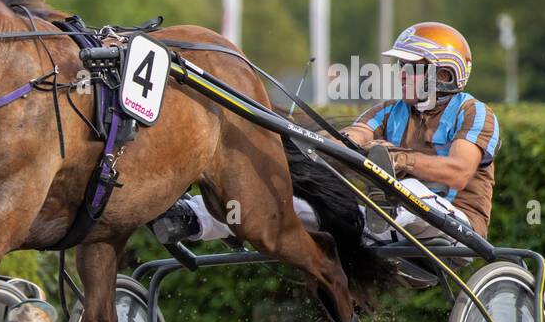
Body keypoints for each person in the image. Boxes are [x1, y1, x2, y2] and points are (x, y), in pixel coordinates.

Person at [152, 22, 500, 250]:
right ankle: (190, 216)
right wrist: (315, 143)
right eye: (401, 67)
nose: (402, 75)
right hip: (380, 222)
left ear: (443, 74)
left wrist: (396, 158)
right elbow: (355, 135)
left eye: (412, 68)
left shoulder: (473, 112)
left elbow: (458, 171)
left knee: (405, 190)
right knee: (270, 200)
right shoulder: (391, 109)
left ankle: (388, 207)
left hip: (457, 225)